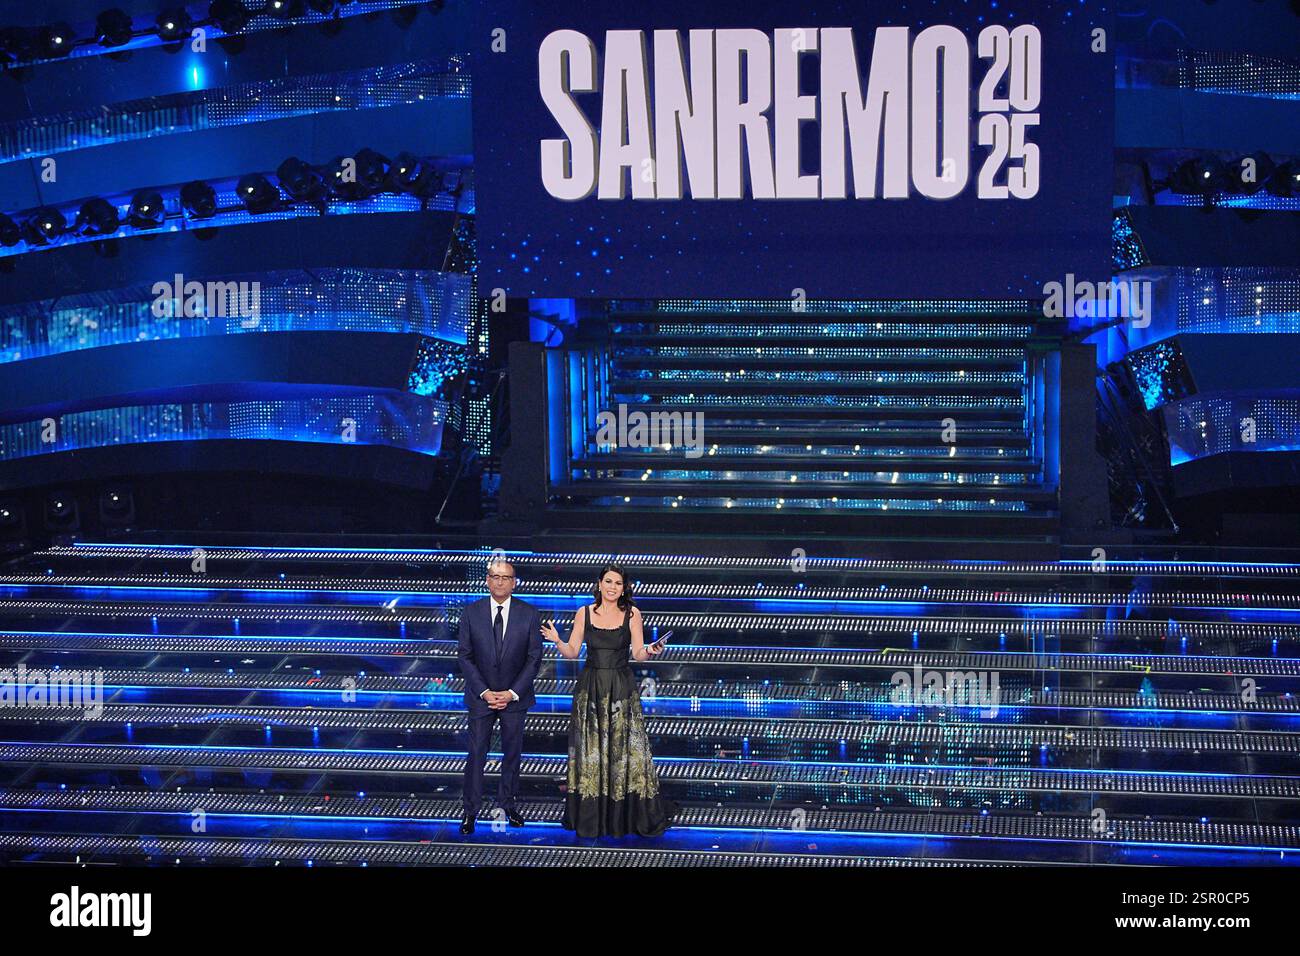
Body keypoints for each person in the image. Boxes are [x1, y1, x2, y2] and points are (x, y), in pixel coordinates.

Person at [541, 564, 677, 837]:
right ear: (600, 584)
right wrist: (557, 639)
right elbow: (571, 652)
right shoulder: (584, 613)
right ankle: (593, 817)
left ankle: (621, 818)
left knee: (623, 750)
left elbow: (638, 653)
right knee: (591, 751)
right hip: (590, 688)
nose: (613, 587)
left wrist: (651, 649)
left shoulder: (632, 614)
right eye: (609, 581)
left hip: (621, 688)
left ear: (624, 587)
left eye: (618, 583)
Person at [457, 558, 542, 835]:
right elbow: (465, 656)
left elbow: (533, 659)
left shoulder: (529, 613)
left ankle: (508, 803)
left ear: (514, 582)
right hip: (481, 697)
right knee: (477, 753)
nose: (499, 581)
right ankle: (471, 811)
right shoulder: (471, 612)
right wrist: (485, 691)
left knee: (512, 754)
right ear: (487, 580)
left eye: (505, 577)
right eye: (494, 576)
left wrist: (511, 693)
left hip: (515, 698)